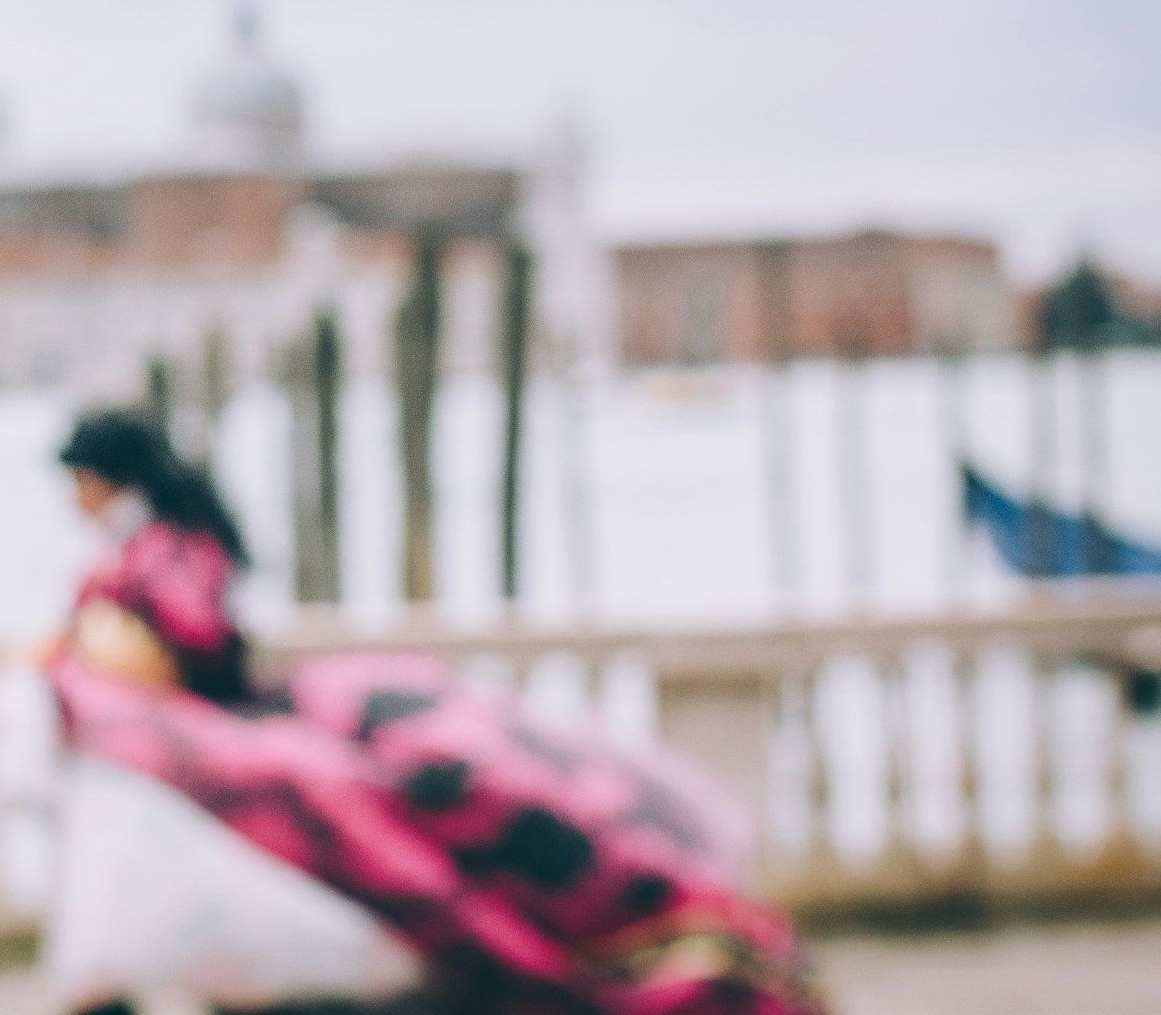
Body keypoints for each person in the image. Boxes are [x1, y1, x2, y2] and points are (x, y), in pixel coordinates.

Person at [44, 411, 825, 1015]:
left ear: (101, 476)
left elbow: (200, 637)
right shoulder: (157, 544)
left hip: (233, 716)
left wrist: (111, 626)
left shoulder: (166, 549)